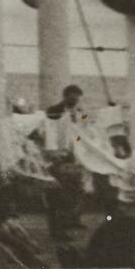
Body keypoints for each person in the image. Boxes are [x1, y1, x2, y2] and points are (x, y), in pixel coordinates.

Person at [39, 85, 88, 238]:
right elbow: (50, 134)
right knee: (57, 195)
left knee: (75, 191)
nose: (75, 102)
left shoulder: (78, 112)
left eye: (77, 99)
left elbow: (81, 131)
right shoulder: (53, 111)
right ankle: (57, 230)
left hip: (73, 156)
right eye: (73, 98)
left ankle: (71, 219)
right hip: (57, 157)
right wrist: (54, 153)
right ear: (66, 96)